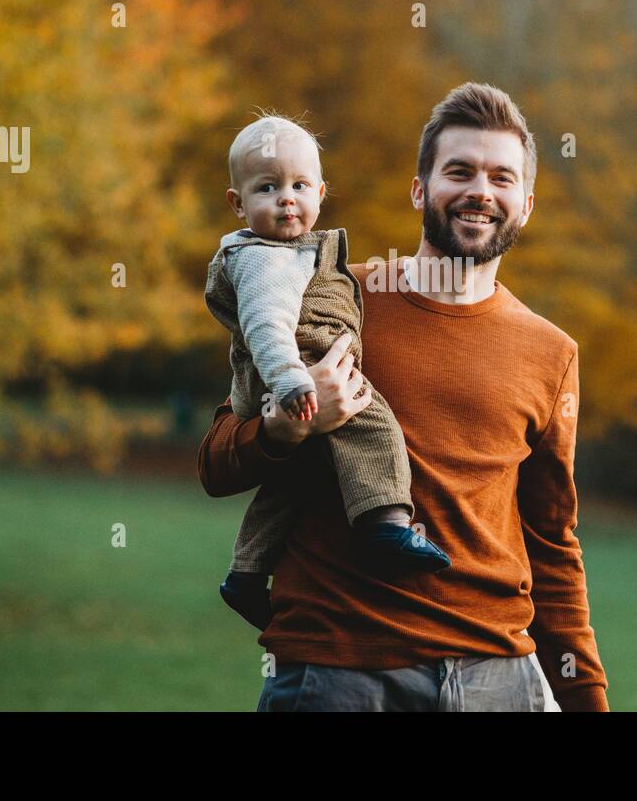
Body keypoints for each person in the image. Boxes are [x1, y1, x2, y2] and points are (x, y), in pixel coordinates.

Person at [198, 83, 609, 711]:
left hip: (498, 675)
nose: (480, 191)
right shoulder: (331, 297)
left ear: (524, 205)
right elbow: (216, 460)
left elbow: (552, 542)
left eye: (501, 177)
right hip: (340, 672)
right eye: (459, 171)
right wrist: (287, 427)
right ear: (421, 189)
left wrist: (585, 698)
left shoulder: (551, 354)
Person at [205, 114, 451, 631]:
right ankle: (385, 519)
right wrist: (293, 389)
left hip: (289, 378)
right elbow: (267, 326)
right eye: (267, 188)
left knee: (296, 478)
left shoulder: (303, 255)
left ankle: (246, 575)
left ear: (321, 191)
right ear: (238, 203)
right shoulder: (267, 261)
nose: (286, 199)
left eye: (298, 186)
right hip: (294, 374)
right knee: (372, 419)